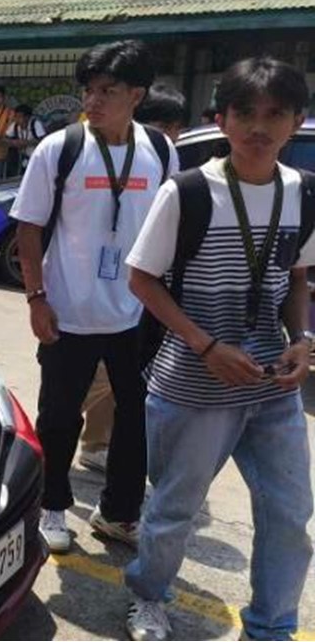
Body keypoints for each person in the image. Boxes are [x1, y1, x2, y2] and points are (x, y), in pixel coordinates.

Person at [122, 58, 314, 642]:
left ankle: (272, 627)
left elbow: (296, 277)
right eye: (246, 113)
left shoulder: (302, 192)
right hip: (192, 385)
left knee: (288, 516)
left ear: (296, 120)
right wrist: (206, 346)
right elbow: (142, 279)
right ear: (222, 120)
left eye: (275, 114)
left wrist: (303, 341)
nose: (260, 127)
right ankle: (148, 597)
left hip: (272, 384)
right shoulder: (186, 192)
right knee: (174, 513)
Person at [10, 39, 177, 554]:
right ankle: (53, 506)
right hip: (68, 313)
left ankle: (119, 513)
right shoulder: (60, 149)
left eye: (107, 90)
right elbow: (29, 228)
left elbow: (166, 225)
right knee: (60, 417)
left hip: (135, 314)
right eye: (88, 89)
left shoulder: (159, 149)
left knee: (136, 416)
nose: (93, 100)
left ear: (137, 94)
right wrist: (37, 298)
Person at [78, 82, 189, 475]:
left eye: (174, 128)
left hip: (142, 288)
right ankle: (74, 437)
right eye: (164, 126)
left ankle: (98, 442)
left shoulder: (160, 157)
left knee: (121, 378)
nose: (170, 137)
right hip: (98, 292)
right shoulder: (81, 150)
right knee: (95, 376)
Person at [9, 104, 46, 169]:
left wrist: (26, 143)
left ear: (27, 117)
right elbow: (6, 137)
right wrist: (13, 142)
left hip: (36, 157)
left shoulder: (35, 124)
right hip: (21, 157)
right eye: (16, 117)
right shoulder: (14, 126)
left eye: (19, 117)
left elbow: (43, 140)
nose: (17, 119)